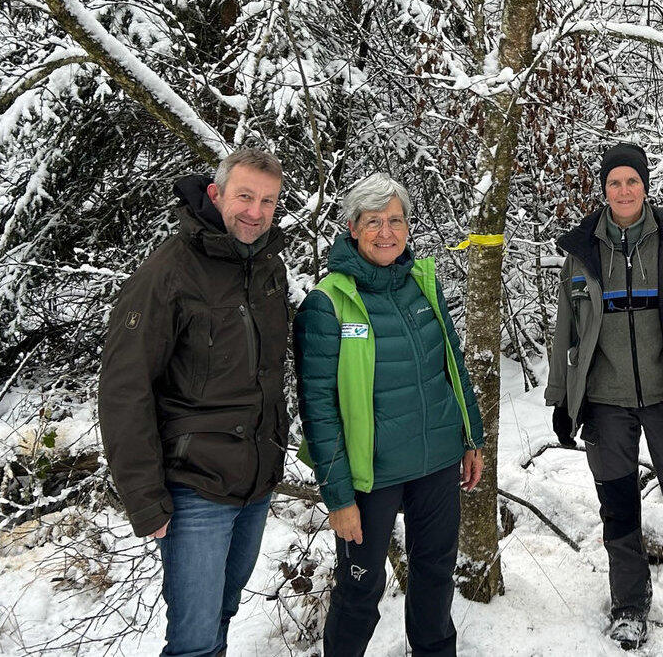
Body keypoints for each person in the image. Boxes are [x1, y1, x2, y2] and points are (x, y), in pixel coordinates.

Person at [98, 147, 290, 657]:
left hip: (254, 483)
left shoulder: (268, 266)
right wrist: (144, 497)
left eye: (267, 201)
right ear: (216, 194)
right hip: (193, 488)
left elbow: (270, 376)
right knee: (194, 641)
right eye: (244, 196)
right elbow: (124, 387)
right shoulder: (169, 272)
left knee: (222, 613)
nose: (255, 211)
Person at [294, 173, 485, 657]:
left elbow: (452, 363)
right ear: (353, 229)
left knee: (436, 577)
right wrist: (337, 496)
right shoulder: (328, 302)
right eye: (373, 221)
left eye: (395, 220)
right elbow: (318, 408)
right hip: (370, 477)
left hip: (438, 462)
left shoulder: (423, 283)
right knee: (360, 591)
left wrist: (471, 437)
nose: (386, 232)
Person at [545, 142, 663, 650]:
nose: (623, 191)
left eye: (632, 181)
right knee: (618, 507)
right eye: (614, 183)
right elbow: (567, 330)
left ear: (646, 186)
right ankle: (628, 606)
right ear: (603, 190)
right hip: (605, 402)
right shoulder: (583, 253)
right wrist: (562, 397)